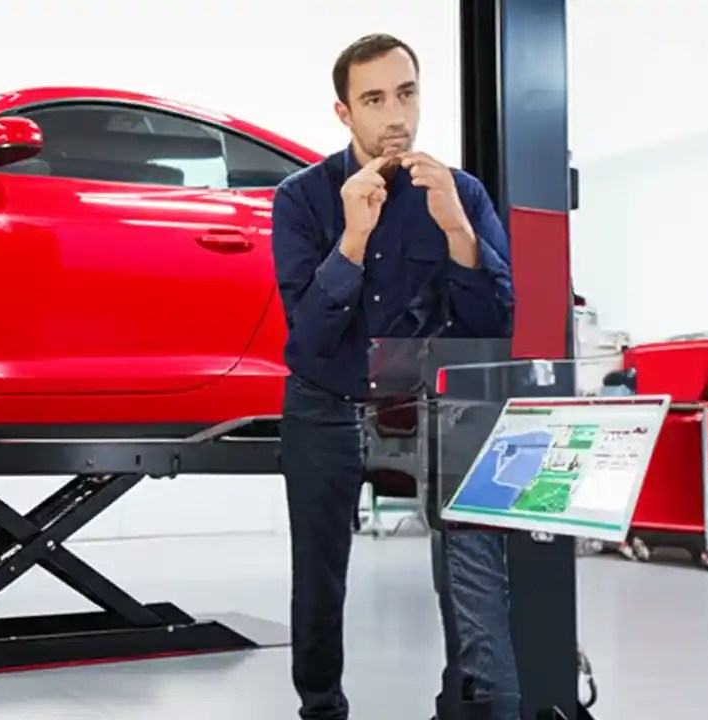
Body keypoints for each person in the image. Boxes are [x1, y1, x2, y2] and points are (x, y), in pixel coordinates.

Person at [270, 33, 519, 720]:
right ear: (344, 112)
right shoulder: (301, 199)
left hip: (426, 406)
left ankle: (466, 706)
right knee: (318, 575)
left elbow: (494, 323)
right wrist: (352, 237)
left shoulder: (461, 192)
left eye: (405, 94)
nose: (396, 115)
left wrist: (459, 232)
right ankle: (321, 708)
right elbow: (308, 335)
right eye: (375, 100)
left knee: (468, 569)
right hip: (324, 400)